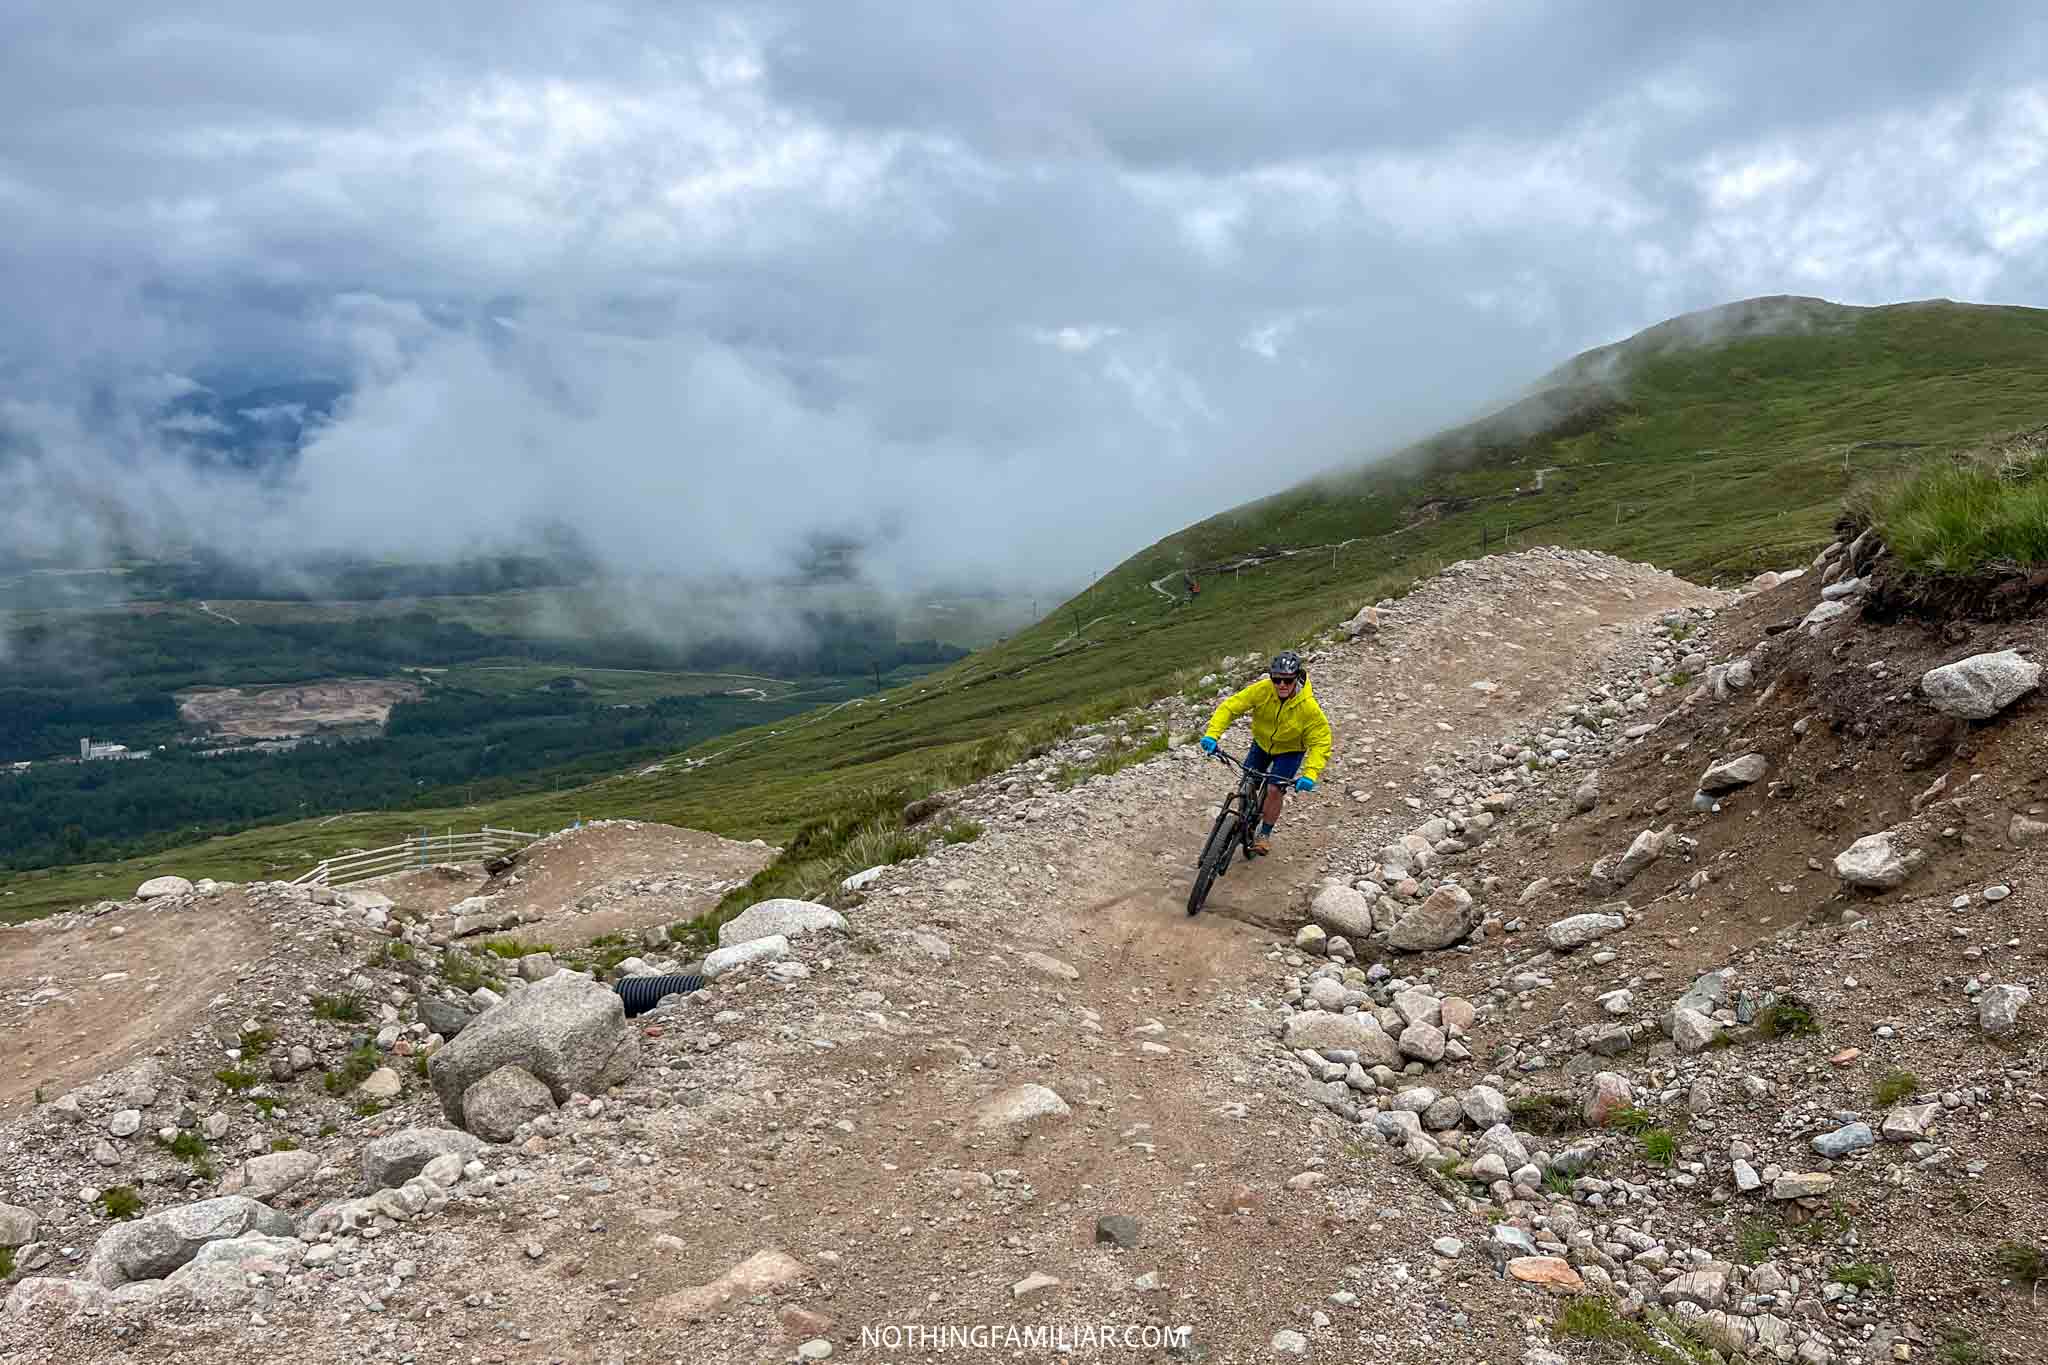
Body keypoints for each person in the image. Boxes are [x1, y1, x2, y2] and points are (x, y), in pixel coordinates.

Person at [1198, 650, 1332, 855]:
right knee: (1247, 783)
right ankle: (1240, 822)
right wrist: (1212, 735)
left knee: (1274, 790)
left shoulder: (1308, 707)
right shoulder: (1262, 690)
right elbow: (1230, 707)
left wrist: (1310, 774)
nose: (1281, 685)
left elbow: (1321, 741)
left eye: (1287, 680)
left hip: (1290, 750)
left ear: (1297, 678)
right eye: (1276, 679)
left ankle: (1264, 835)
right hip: (1261, 744)